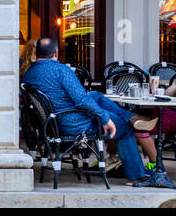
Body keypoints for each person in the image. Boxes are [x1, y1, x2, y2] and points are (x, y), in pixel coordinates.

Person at [22, 37, 153, 186]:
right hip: (75, 123)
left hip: (54, 123)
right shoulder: (61, 70)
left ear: (37, 52)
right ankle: (135, 176)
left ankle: (133, 117)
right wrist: (104, 118)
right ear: (56, 53)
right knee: (124, 127)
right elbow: (81, 100)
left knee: (96, 96)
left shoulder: (29, 74)